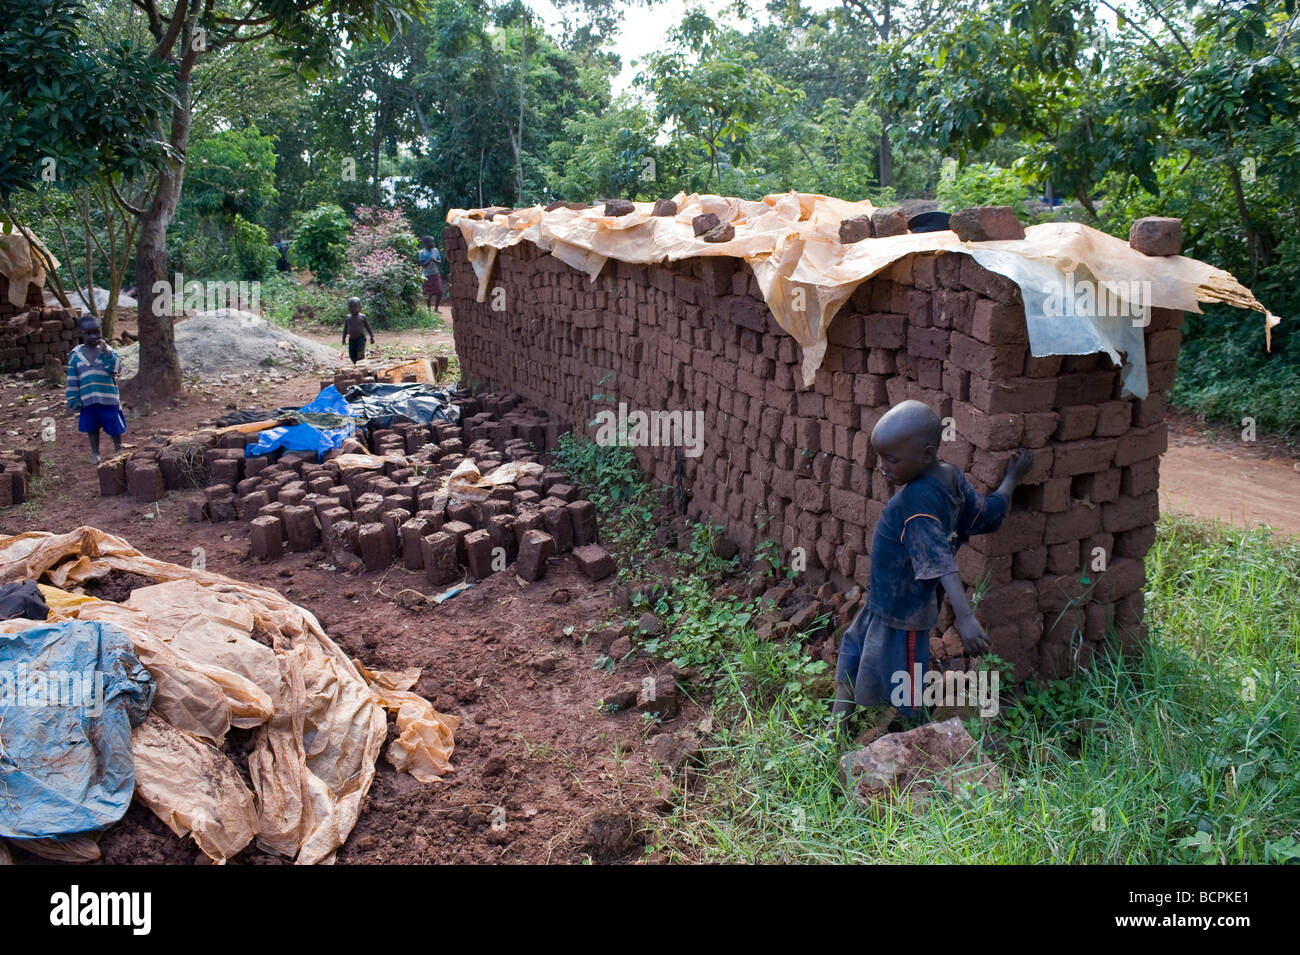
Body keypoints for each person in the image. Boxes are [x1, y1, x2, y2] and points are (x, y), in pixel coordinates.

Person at [831, 400, 1033, 736]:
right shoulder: (951, 479)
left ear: (925, 455)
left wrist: (966, 618)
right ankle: (835, 731)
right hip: (884, 603)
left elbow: (938, 558)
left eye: (892, 460)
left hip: (904, 615)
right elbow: (987, 515)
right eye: (882, 458)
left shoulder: (918, 501)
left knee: (905, 685)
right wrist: (1010, 480)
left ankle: (914, 742)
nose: (883, 467)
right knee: (854, 656)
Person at [66, 317, 126, 464]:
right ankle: (95, 452)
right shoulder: (76, 355)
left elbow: (117, 368)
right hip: (88, 400)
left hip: (108, 398)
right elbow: (72, 380)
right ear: (81, 333)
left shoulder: (107, 351)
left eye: (97, 332)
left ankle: (118, 448)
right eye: (88, 333)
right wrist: (73, 399)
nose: (94, 337)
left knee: (114, 425)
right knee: (91, 428)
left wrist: (107, 353)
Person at [341, 297, 375, 364]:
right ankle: (355, 365)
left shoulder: (362, 317)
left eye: (355, 307)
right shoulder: (348, 318)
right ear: (348, 308)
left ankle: (360, 365)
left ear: (360, 308)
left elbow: (368, 327)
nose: (353, 309)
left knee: (360, 353)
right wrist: (343, 339)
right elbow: (345, 329)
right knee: (351, 354)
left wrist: (372, 336)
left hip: (360, 339)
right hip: (351, 339)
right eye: (351, 307)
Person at [418, 235, 443, 312]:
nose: (433, 243)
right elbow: (422, 264)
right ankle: (429, 309)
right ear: (426, 243)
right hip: (426, 275)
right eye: (431, 242)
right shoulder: (422, 252)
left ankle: (436, 308)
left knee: (440, 291)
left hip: (435, 273)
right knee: (428, 293)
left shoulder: (435, 250)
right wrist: (429, 260)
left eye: (433, 241)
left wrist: (435, 260)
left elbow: (439, 261)